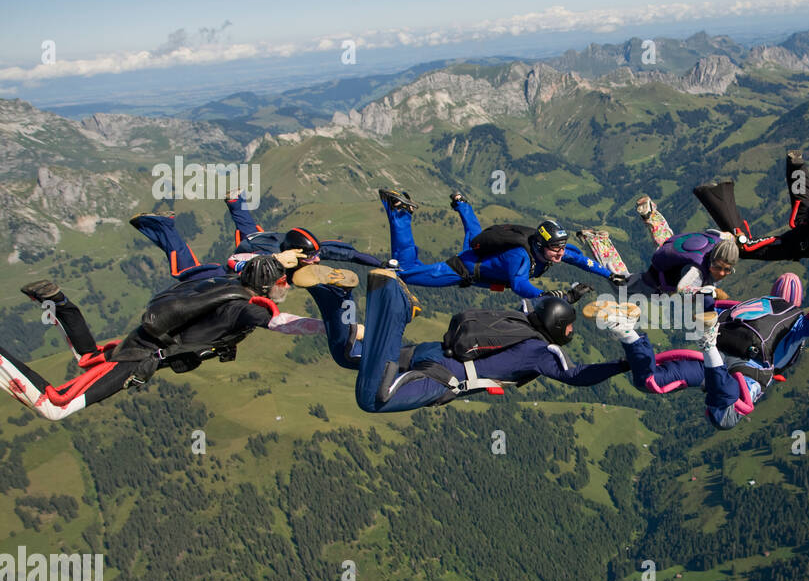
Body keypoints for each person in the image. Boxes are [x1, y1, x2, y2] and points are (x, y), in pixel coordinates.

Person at [0, 254, 337, 420]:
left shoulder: (227, 282)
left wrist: (284, 258)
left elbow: (242, 260)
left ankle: (58, 303)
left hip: (139, 346)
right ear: (267, 288)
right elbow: (284, 323)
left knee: (88, 360)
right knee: (55, 406)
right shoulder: (249, 309)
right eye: (282, 284)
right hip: (137, 358)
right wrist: (333, 327)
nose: (286, 288)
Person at [294, 268, 627, 413]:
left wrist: (569, 296)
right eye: (568, 328)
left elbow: (544, 304)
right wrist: (624, 363)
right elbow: (577, 376)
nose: (569, 333)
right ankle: (395, 305)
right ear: (557, 330)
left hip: (432, 351)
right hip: (441, 377)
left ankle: (334, 296)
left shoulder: (523, 317)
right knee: (373, 399)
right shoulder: (541, 351)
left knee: (349, 354)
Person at [594, 273, 809, 429]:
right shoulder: (798, 320)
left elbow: (710, 305)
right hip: (747, 367)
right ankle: (706, 346)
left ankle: (628, 331)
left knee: (652, 381)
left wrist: (706, 291)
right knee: (724, 414)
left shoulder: (749, 304)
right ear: (797, 301)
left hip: (721, 352)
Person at [378, 188, 626, 298]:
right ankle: (400, 213)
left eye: (561, 248)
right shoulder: (520, 257)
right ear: (540, 246)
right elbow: (519, 285)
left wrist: (608, 274)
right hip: (464, 269)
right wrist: (545, 295)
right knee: (405, 274)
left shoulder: (553, 250)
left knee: (474, 235)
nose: (561, 254)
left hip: (478, 252)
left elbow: (581, 259)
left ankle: (461, 202)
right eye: (555, 249)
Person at [131, 189, 382, 280]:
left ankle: (235, 201)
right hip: (253, 251)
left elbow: (350, 254)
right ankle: (163, 227)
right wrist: (271, 263)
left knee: (250, 232)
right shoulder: (271, 254)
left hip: (259, 239)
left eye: (316, 255)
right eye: (311, 257)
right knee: (184, 275)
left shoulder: (309, 248)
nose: (317, 259)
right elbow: (233, 262)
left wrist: (381, 264)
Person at [577, 193, 737, 310]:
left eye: (727, 270)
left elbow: (722, 234)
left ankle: (650, 213)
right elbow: (683, 290)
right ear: (712, 259)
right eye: (717, 267)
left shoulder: (722, 241)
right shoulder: (696, 271)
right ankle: (598, 241)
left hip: (675, 252)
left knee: (667, 241)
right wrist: (711, 292)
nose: (721, 272)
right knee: (622, 286)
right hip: (656, 281)